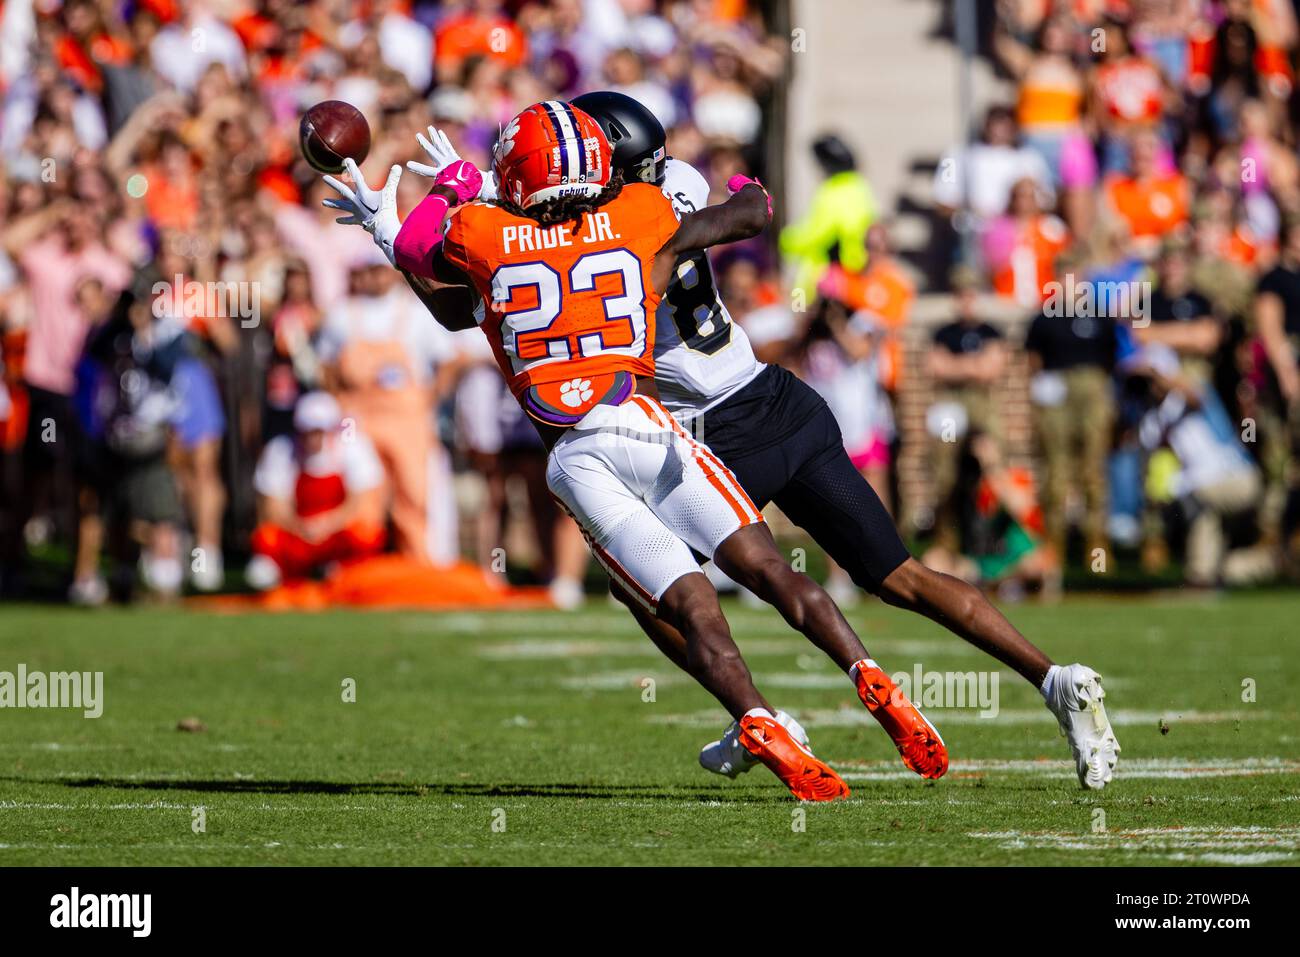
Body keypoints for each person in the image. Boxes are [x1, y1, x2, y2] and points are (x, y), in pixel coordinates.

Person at [345, 92, 1122, 793]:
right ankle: (1055, 678)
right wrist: (741, 199)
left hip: (710, 429)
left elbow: (478, 293)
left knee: (657, 587)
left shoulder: (612, 223)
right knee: (901, 576)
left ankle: (754, 714)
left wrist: (442, 209)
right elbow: (745, 213)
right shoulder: (664, 196)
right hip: (782, 400)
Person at [246, 391, 387, 590]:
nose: (312, 438)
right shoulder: (281, 451)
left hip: (338, 533)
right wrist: (301, 527)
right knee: (266, 539)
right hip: (299, 533)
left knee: (367, 534)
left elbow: (363, 504)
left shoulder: (354, 448)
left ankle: (344, 573)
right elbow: (273, 508)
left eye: (318, 431)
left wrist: (328, 524)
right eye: (307, 431)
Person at [926, 268, 1008, 554]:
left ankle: (990, 539)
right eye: (961, 294)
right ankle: (946, 540)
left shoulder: (991, 332)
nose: (966, 301)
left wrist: (957, 366)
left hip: (982, 406)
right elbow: (936, 367)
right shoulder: (943, 333)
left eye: (971, 294)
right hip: (952, 406)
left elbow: (992, 369)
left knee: (991, 464)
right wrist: (974, 366)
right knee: (945, 472)